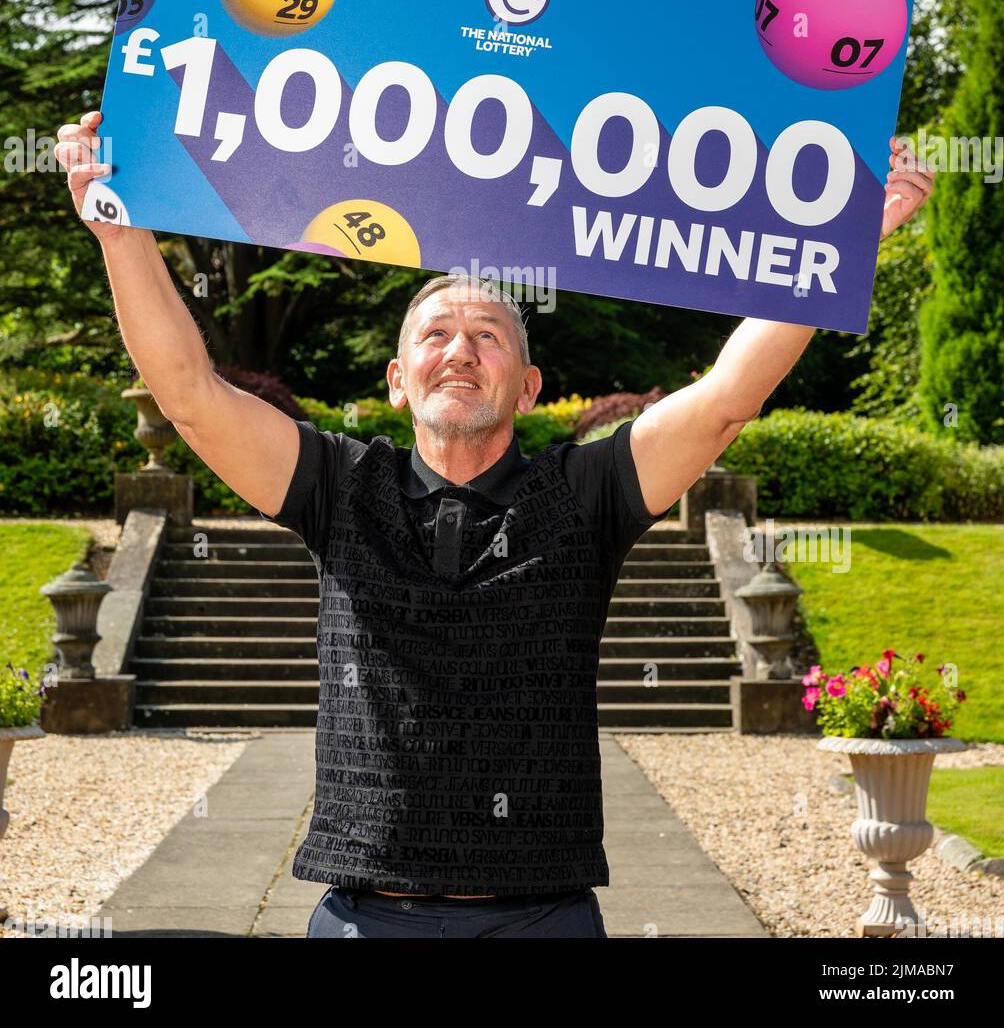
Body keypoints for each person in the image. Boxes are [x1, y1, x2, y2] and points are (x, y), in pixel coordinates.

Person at [56, 111, 934, 939]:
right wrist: (120, 231)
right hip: (366, 917)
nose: (461, 348)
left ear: (529, 385)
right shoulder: (338, 485)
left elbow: (724, 403)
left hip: (542, 918)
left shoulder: (586, 494)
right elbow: (192, 399)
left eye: (488, 334)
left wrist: (845, 241)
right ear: (399, 379)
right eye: (435, 332)